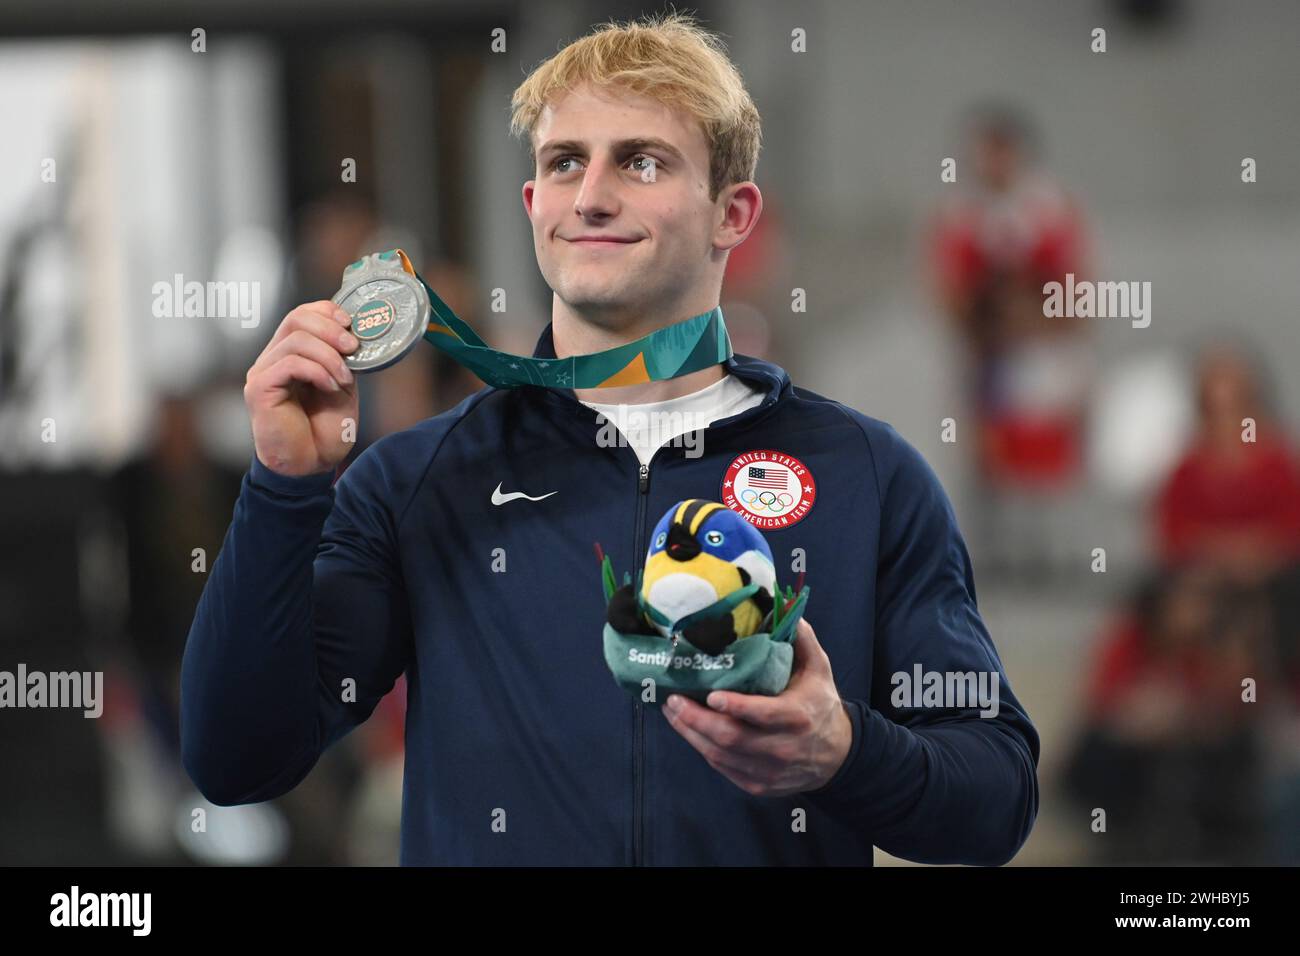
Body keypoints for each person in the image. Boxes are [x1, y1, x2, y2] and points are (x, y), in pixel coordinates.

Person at [182, 11, 1038, 866]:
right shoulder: (418, 480)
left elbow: (996, 794)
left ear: (732, 213)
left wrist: (846, 749)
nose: (591, 195)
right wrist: (283, 489)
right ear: (533, 206)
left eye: (640, 161)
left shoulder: (864, 475)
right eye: (564, 163)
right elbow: (236, 757)